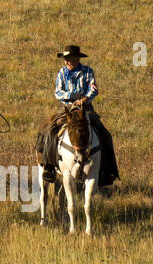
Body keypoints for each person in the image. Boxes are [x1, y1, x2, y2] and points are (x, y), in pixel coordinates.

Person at [44, 45, 119, 187]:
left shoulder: (88, 71)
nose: (67, 61)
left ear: (77, 58)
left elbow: (94, 89)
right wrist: (73, 97)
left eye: (69, 58)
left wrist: (85, 99)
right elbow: (58, 92)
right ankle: (49, 167)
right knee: (49, 132)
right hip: (67, 110)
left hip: (86, 109)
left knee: (105, 135)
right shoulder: (61, 73)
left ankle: (107, 171)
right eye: (65, 59)